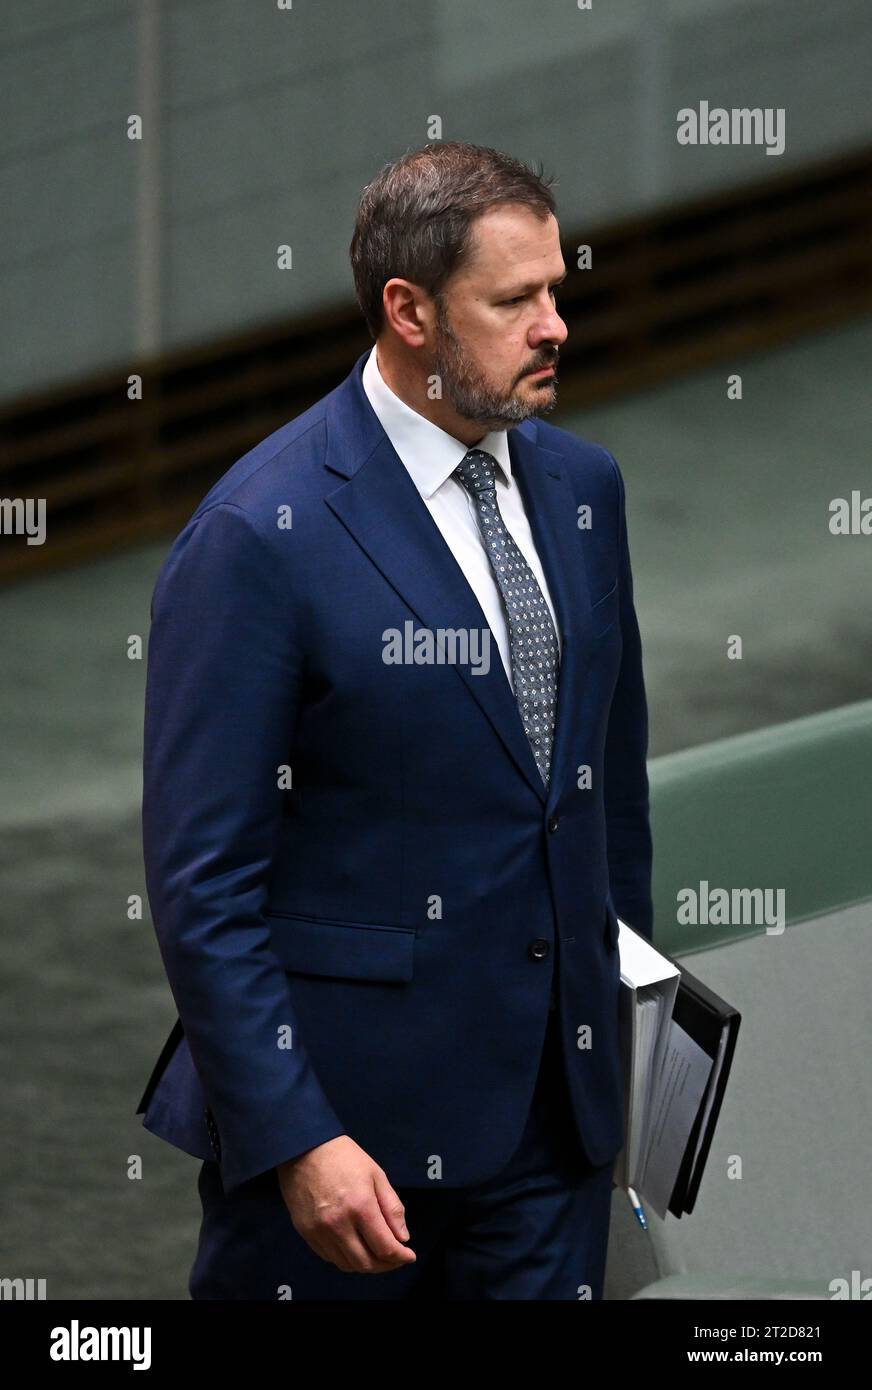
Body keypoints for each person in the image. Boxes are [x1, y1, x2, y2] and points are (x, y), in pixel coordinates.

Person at [136, 140, 653, 1300]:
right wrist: (295, 1139)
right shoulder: (255, 537)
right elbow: (201, 880)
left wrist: (620, 1057)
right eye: (512, 300)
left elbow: (604, 798)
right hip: (345, 1153)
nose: (553, 324)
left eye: (555, 291)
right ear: (408, 311)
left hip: (551, 1134)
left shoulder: (583, 492)